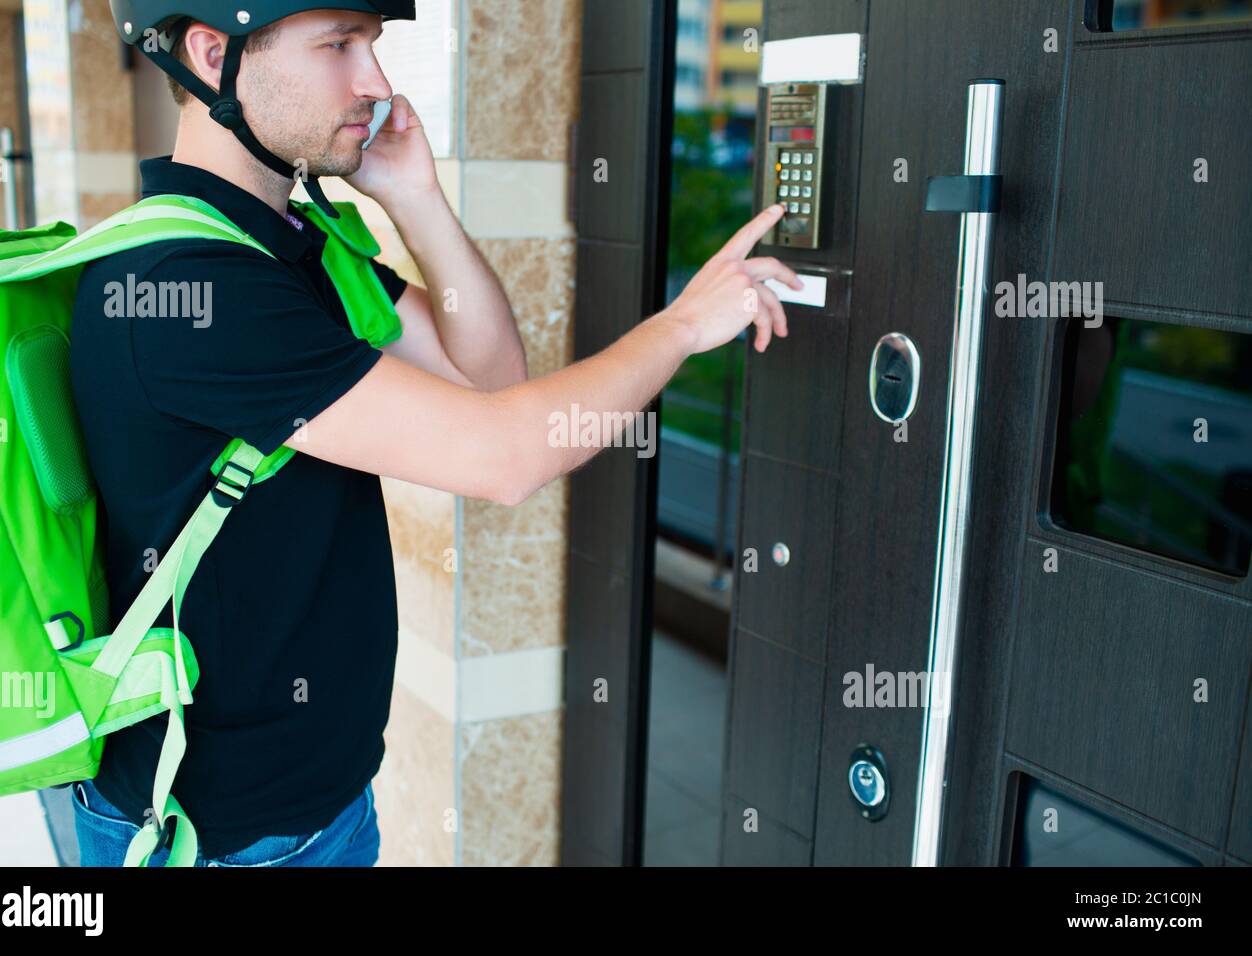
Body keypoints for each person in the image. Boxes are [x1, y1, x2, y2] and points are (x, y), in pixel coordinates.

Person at [68, 0, 800, 867]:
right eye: (338, 47)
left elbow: (488, 377)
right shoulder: (189, 287)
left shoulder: (285, 248)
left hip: (315, 801)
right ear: (210, 50)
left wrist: (416, 198)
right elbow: (504, 454)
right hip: (221, 834)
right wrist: (679, 326)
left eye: (370, 47)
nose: (374, 82)